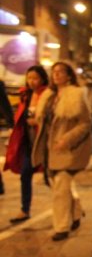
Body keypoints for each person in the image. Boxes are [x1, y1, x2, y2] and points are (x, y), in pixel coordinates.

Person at [31, 62, 92, 241]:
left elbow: (86, 123)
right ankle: (75, 212)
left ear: (69, 75)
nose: (56, 75)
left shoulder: (75, 95)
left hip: (68, 148)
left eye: (60, 72)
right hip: (49, 148)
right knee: (59, 185)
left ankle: (61, 227)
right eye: (54, 72)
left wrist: (67, 138)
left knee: (61, 187)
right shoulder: (49, 96)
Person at [4, 66, 49, 222]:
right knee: (25, 175)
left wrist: (37, 122)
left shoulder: (48, 95)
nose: (32, 81)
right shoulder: (26, 95)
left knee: (53, 179)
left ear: (43, 78)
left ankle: (73, 208)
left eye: (35, 78)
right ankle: (25, 210)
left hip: (44, 144)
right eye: (29, 78)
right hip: (28, 143)